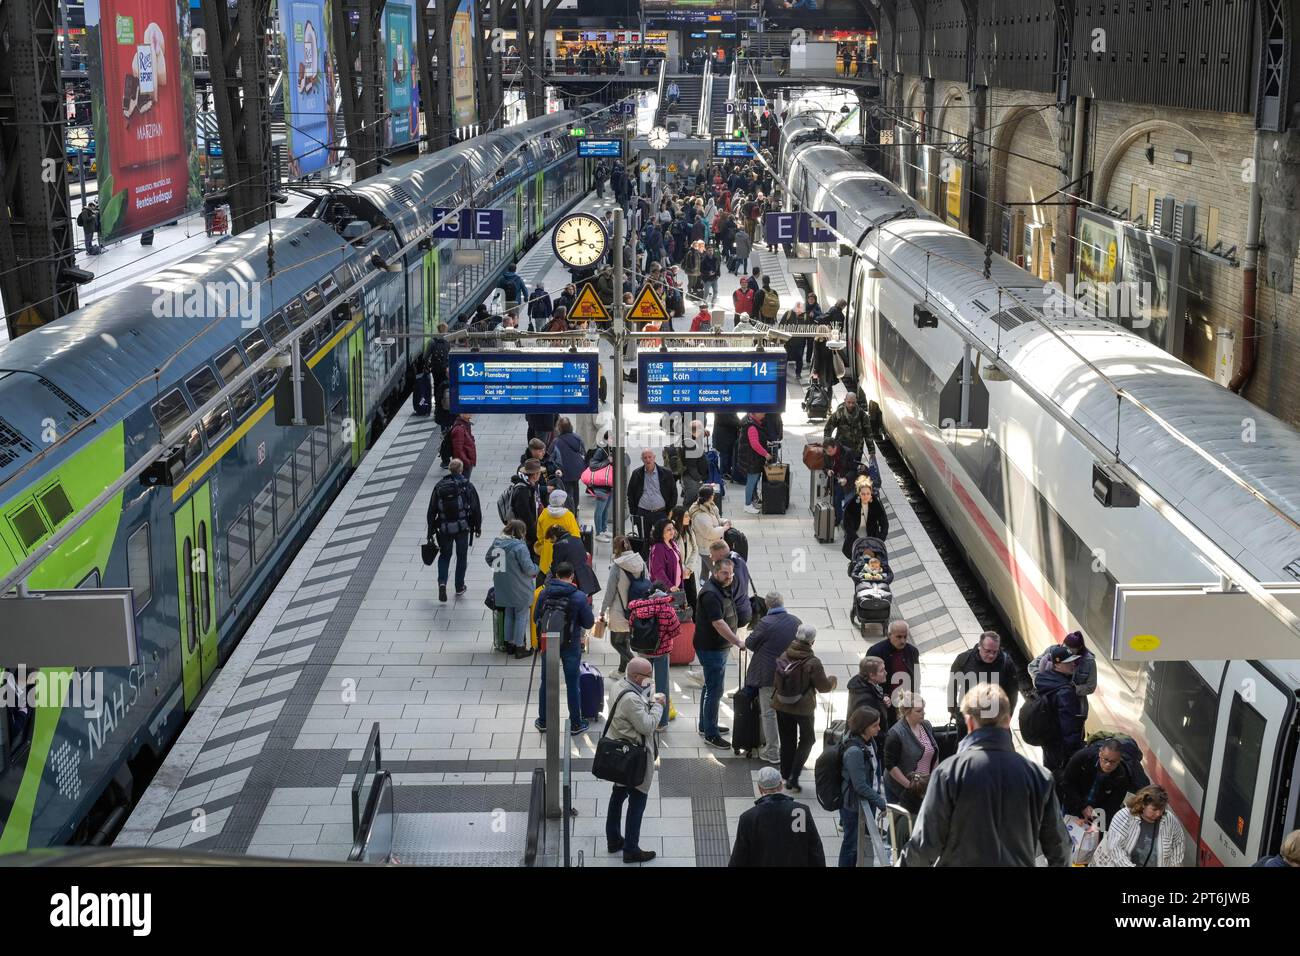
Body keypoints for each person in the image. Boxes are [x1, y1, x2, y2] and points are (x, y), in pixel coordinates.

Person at [899, 684, 1072, 866]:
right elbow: (1060, 847)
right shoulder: (1039, 777)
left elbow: (925, 846)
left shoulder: (948, 773)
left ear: (970, 722)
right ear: (1008, 720)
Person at [603, 656, 665, 863]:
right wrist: (658, 705)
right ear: (637, 677)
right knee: (637, 800)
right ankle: (631, 849)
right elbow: (647, 726)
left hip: (620, 752)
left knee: (618, 794)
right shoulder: (630, 699)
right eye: (649, 676)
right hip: (635, 757)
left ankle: (613, 839)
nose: (651, 679)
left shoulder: (619, 685)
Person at [771, 624, 837, 791]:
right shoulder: (813, 662)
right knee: (808, 739)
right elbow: (823, 687)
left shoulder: (785, 654)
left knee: (787, 740)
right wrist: (833, 681)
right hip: (803, 708)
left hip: (781, 704)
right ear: (812, 641)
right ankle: (794, 775)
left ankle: (785, 774)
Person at [533, 561, 595, 735]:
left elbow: (536, 617)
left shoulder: (544, 593)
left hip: (548, 642)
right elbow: (589, 622)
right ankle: (576, 723)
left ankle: (543, 721)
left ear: (556, 575)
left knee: (546, 682)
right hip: (570, 644)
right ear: (572, 576)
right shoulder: (579, 596)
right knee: (572, 683)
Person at [695, 559, 747, 748]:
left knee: (709, 687)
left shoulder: (721, 587)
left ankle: (706, 725)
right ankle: (711, 734)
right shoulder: (710, 594)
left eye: (731, 574)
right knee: (715, 690)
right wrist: (737, 641)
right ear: (715, 572)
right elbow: (718, 623)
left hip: (716, 647)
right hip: (712, 648)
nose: (730, 577)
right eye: (725, 573)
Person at [744, 592, 801, 765]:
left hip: (768, 675)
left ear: (767, 606)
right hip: (791, 674)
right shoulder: (796, 621)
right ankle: (789, 750)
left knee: (769, 713)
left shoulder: (765, 623)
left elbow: (749, 643)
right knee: (789, 712)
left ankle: (772, 751)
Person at [729, 765, 826, 867]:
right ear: (780, 785)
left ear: (759, 788)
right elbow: (814, 849)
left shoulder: (748, 817)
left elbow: (739, 856)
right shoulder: (800, 812)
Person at [1091, 785, 1188, 867]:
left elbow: (1178, 843)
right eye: (1154, 809)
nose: (1159, 813)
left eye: (1161, 809)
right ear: (1143, 805)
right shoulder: (1124, 816)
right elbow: (1115, 848)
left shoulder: (1169, 820)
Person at [839, 706, 888, 867]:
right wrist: (880, 802)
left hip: (867, 801)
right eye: (875, 725)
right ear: (863, 727)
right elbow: (859, 785)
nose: (879, 728)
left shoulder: (869, 741)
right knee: (851, 845)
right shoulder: (854, 751)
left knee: (861, 843)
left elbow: (875, 771)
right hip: (854, 806)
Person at [946, 631, 1019, 740]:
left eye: (995, 652)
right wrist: (953, 710)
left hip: (995, 720)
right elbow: (952, 686)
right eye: (988, 651)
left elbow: (1012, 694)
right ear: (980, 646)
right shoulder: (964, 660)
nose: (991, 655)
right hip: (969, 718)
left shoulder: (1006, 664)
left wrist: (1006, 717)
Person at [627, 579, 679, 729]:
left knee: (644, 684)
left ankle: (644, 717)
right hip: (662, 652)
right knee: (662, 685)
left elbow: (631, 625)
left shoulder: (638, 608)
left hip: (643, 652)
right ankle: (662, 722)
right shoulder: (667, 609)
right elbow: (675, 629)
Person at [427, 459, 482, 602]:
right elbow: (475, 508)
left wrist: (430, 530)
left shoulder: (440, 486)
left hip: (445, 528)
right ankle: (459, 586)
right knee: (461, 557)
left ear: (449, 470)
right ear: (461, 470)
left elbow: (432, 509)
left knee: (445, 556)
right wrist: (477, 527)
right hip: (462, 528)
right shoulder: (467, 485)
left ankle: (442, 583)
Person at [1059, 738, 1145, 828]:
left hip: (1096, 814)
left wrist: (1099, 826)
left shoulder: (1121, 777)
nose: (1108, 765)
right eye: (1105, 759)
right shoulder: (1083, 757)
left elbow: (1111, 806)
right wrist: (1082, 807)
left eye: (1113, 762)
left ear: (1119, 760)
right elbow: (1067, 783)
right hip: (1073, 803)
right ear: (1100, 753)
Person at [486, 520, 540, 658]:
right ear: (520, 532)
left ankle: (509, 644)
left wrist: (501, 569)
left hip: (502, 585)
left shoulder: (497, 542)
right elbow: (528, 569)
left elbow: (488, 559)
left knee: (509, 613)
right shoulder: (519, 547)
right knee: (521, 615)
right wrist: (538, 568)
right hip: (519, 586)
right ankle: (519, 647)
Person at [600, 536, 648, 678]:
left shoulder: (617, 567)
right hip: (637, 609)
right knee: (625, 640)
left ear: (616, 549)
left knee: (616, 642)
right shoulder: (641, 562)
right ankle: (622, 671)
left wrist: (602, 611)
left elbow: (610, 592)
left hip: (619, 610)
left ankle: (638, 666)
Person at [883, 691, 939, 815]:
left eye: (923, 709)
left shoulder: (926, 725)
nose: (923, 713)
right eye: (919, 711)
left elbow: (933, 753)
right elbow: (890, 765)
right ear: (907, 712)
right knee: (900, 825)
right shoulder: (896, 733)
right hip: (902, 787)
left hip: (922, 786)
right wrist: (910, 787)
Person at [1033, 644, 1087, 772]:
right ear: (1057, 665)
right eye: (1068, 662)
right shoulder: (1064, 691)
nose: (1073, 664)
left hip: (1048, 740)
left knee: (1050, 771)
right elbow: (1069, 726)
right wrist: (1075, 751)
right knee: (1061, 776)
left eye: (1073, 660)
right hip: (1060, 745)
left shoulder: (1044, 679)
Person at [867, 620, 919, 714]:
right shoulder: (876, 652)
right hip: (885, 703)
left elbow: (916, 677)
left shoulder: (912, 652)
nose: (903, 641)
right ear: (890, 635)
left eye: (905, 637)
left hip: (906, 704)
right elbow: (868, 680)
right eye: (899, 637)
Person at [626, 448, 677, 539]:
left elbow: (673, 493)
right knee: (644, 539)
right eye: (645, 458)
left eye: (650, 457)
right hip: (642, 513)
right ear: (642, 459)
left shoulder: (666, 473)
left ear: (654, 458)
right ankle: (645, 554)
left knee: (663, 539)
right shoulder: (637, 473)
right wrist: (634, 512)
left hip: (661, 513)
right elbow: (630, 494)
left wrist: (669, 511)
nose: (648, 460)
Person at [535, 490, 581, 579]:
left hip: (547, 555)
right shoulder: (568, 515)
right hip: (564, 557)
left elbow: (539, 536)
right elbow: (576, 537)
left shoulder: (544, 514)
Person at [840, 476, 888, 559]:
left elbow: (884, 523)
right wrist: (856, 540)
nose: (866, 496)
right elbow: (846, 525)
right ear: (859, 493)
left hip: (871, 543)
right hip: (854, 542)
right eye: (863, 494)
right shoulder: (852, 504)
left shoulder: (875, 504)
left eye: (868, 494)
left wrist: (880, 539)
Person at [707, 538, 752, 627]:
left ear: (720, 555)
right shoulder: (738, 558)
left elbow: (723, 598)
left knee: (735, 640)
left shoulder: (728, 575)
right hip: (745, 610)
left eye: (712, 554)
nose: (710, 557)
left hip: (736, 618)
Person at [687, 486, 729, 579]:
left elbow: (714, 521)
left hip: (709, 546)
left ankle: (703, 588)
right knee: (717, 572)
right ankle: (716, 590)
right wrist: (724, 528)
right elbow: (710, 533)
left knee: (705, 571)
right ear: (711, 496)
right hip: (707, 548)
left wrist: (724, 521)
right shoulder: (700, 515)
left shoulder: (708, 505)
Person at [547, 524, 600, 595]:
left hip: (572, 580)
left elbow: (556, 567)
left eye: (551, 539)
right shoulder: (577, 539)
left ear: (554, 536)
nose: (552, 542)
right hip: (586, 577)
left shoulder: (558, 545)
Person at [737, 411, 773, 515]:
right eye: (762, 412)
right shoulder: (751, 426)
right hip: (752, 460)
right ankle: (747, 505)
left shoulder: (753, 423)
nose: (764, 414)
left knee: (754, 481)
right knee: (751, 482)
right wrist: (766, 454)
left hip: (752, 459)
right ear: (755, 413)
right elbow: (755, 445)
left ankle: (751, 502)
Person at [823, 392, 875, 463]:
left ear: (856, 401)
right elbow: (828, 428)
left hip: (857, 449)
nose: (851, 405)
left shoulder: (862, 414)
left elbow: (868, 433)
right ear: (845, 400)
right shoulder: (839, 413)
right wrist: (827, 444)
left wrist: (871, 451)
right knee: (842, 469)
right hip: (842, 448)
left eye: (853, 403)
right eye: (849, 402)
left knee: (854, 469)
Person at [846, 655, 893, 734]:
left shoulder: (865, 686)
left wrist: (884, 697)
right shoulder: (865, 699)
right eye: (881, 671)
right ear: (872, 675)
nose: (886, 672)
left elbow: (876, 694)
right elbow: (868, 727)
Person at [551, 418, 586, 519]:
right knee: (575, 487)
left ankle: (570, 513)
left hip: (564, 471)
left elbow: (551, 456)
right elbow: (583, 452)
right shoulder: (577, 438)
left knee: (567, 492)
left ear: (559, 428)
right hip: (577, 469)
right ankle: (575, 508)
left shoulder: (556, 441)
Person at [508, 459, 546, 554]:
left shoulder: (531, 484)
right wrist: (533, 532)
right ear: (534, 474)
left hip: (528, 528)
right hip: (524, 531)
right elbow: (525, 514)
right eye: (539, 473)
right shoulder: (523, 490)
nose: (540, 475)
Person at [648, 517, 684, 592]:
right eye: (668, 529)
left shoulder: (673, 543)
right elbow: (658, 571)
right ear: (661, 531)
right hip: (665, 591)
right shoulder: (658, 548)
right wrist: (670, 586)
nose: (672, 531)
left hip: (676, 588)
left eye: (673, 528)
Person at [445, 412, 476, 479]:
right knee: (462, 483)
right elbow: (457, 450)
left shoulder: (465, 424)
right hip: (463, 463)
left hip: (466, 460)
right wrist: (467, 462)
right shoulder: (459, 429)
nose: (470, 413)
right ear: (461, 414)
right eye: (466, 412)